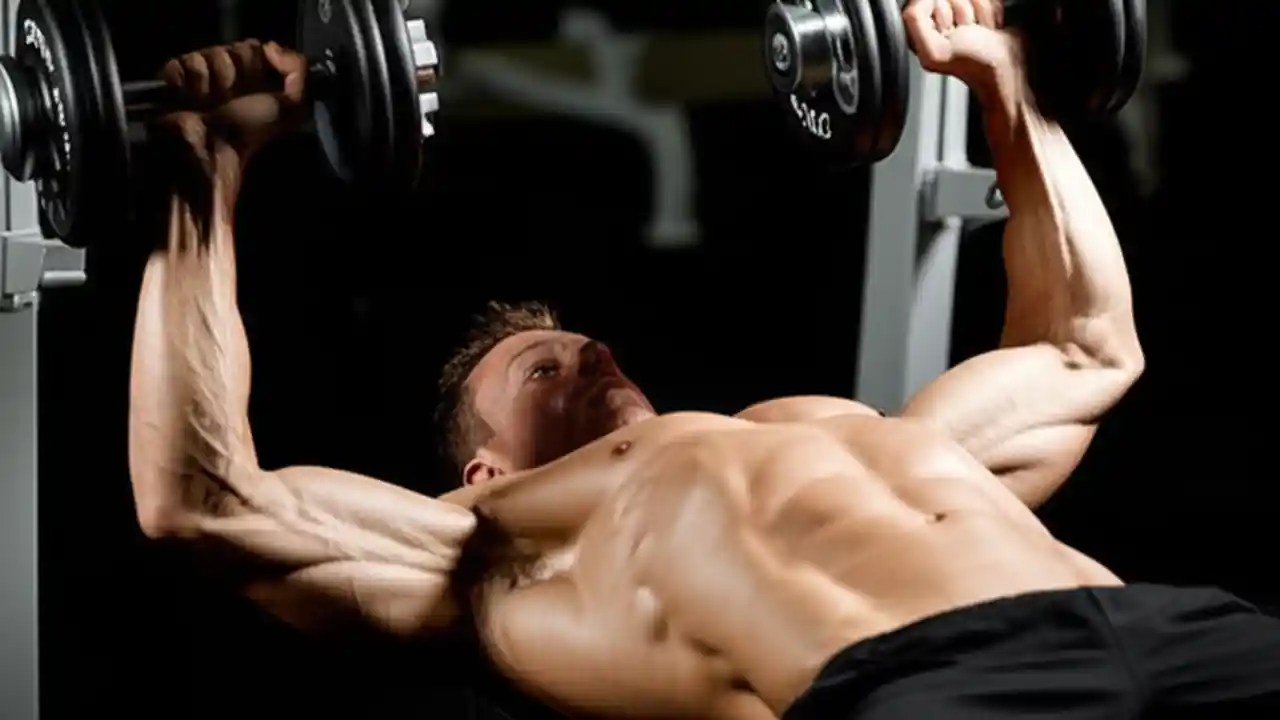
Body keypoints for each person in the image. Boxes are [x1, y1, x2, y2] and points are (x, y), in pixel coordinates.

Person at [128, 1, 1280, 718]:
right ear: (481, 473)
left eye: (583, 342)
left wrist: (1005, 91)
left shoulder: (846, 435)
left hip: (1172, 630)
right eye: (541, 370)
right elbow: (206, 503)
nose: (587, 355)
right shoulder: (487, 552)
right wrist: (205, 173)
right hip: (946, 688)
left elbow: (1082, 348)